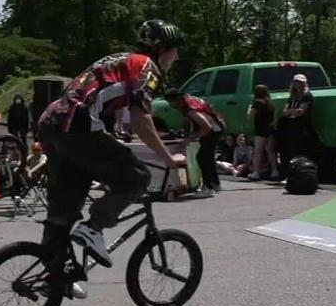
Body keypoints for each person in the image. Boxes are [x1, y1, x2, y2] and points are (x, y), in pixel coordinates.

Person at [36, 19, 187, 285]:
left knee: (63, 212)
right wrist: (167, 157)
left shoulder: (120, 60)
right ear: (162, 47)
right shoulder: (147, 67)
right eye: (175, 51)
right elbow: (141, 119)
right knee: (138, 177)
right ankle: (94, 228)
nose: (177, 57)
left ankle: (54, 275)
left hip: (52, 124)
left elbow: (109, 105)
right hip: (78, 125)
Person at [166, 91, 226, 195]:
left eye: (171, 102)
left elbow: (206, 127)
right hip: (217, 126)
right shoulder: (187, 101)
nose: (170, 105)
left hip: (213, 129)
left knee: (202, 157)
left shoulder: (190, 108)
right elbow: (186, 121)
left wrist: (191, 138)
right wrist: (186, 135)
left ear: (176, 100)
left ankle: (208, 188)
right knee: (208, 157)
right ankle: (215, 184)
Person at [278, 74, 316, 177]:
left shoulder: (307, 96)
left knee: (300, 151)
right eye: (295, 82)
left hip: (303, 126)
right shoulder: (292, 97)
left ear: (304, 83)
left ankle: (301, 174)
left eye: (300, 82)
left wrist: (291, 111)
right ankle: (290, 174)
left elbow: (301, 111)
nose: (297, 84)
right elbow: (285, 111)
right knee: (290, 150)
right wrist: (291, 112)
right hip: (291, 125)